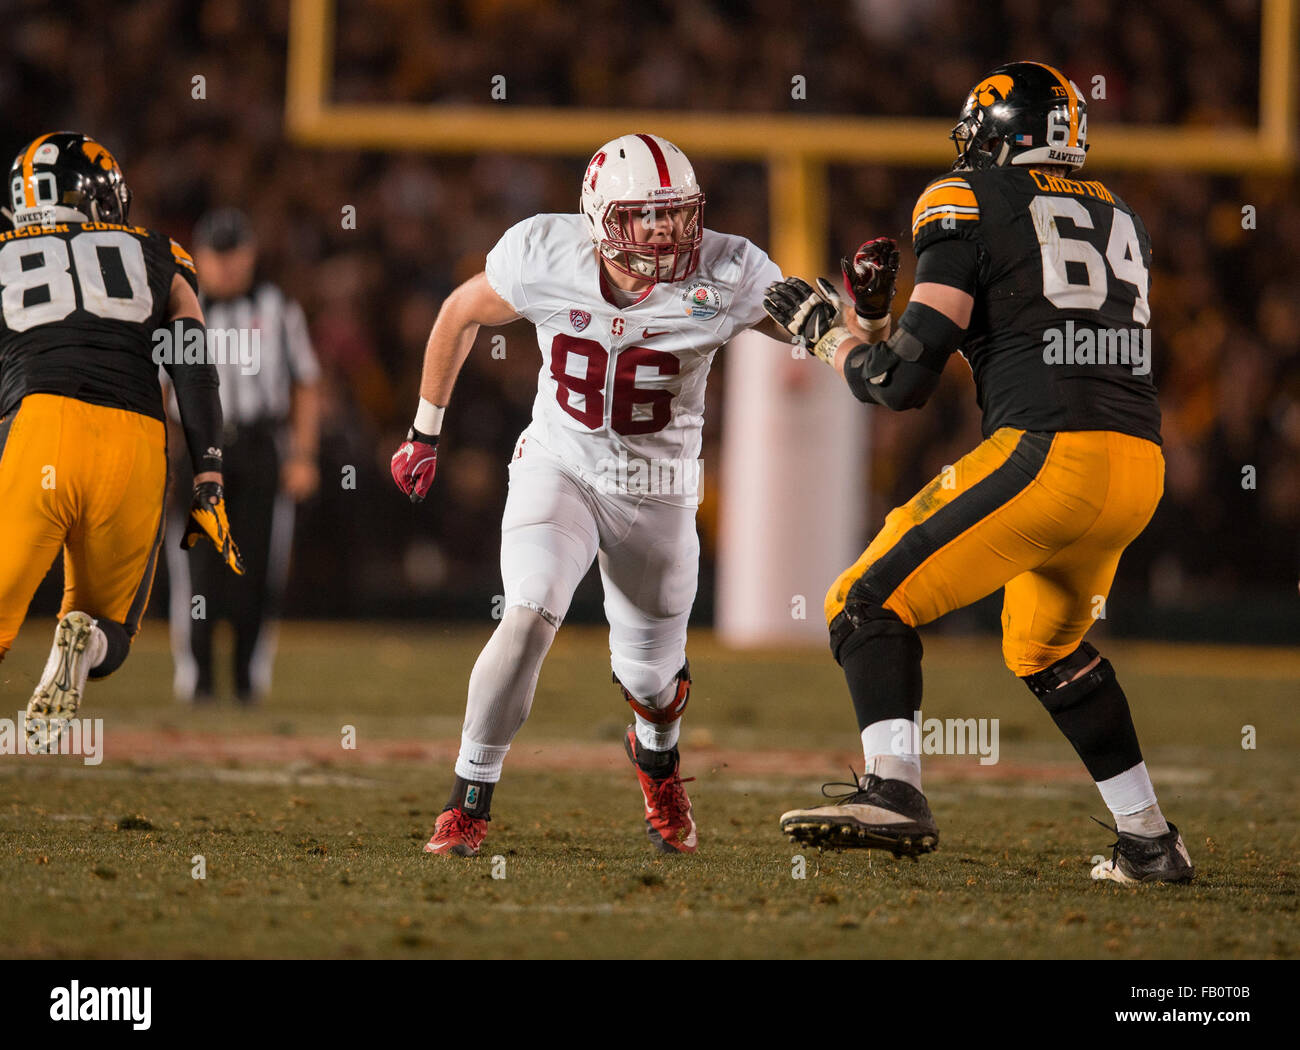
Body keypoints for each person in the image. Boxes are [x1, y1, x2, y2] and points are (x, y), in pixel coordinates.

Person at [764, 63, 1194, 884]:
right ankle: (1149, 841)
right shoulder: (1118, 212)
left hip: (1050, 454)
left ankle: (893, 789)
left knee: (864, 599)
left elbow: (902, 384)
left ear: (999, 134)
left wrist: (831, 337)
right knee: (1042, 646)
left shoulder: (962, 199)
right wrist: (876, 321)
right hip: (1137, 463)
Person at [391, 133, 788, 857]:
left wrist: (869, 319)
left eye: (676, 215)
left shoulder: (726, 269)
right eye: (646, 216)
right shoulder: (547, 252)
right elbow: (459, 312)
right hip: (561, 466)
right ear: (600, 216)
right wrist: (425, 431)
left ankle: (657, 762)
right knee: (529, 613)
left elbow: (822, 332)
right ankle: (468, 800)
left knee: (654, 682)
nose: (667, 233)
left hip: (659, 490)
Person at [0, 132, 243, 750]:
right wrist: (209, 469)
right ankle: (79, 648)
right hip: (134, 441)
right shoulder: (159, 252)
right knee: (111, 629)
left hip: (38, 428)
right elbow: (192, 361)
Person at [164, 208, 321, 704]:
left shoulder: (278, 309)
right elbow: (158, 393)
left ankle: (249, 678)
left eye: (235, 254)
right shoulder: (176, 311)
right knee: (195, 568)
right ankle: (198, 678)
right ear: (200, 257)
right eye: (217, 254)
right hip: (194, 448)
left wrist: (303, 455)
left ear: (251, 255)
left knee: (257, 569)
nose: (227, 265)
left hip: (256, 446)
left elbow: (306, 384)